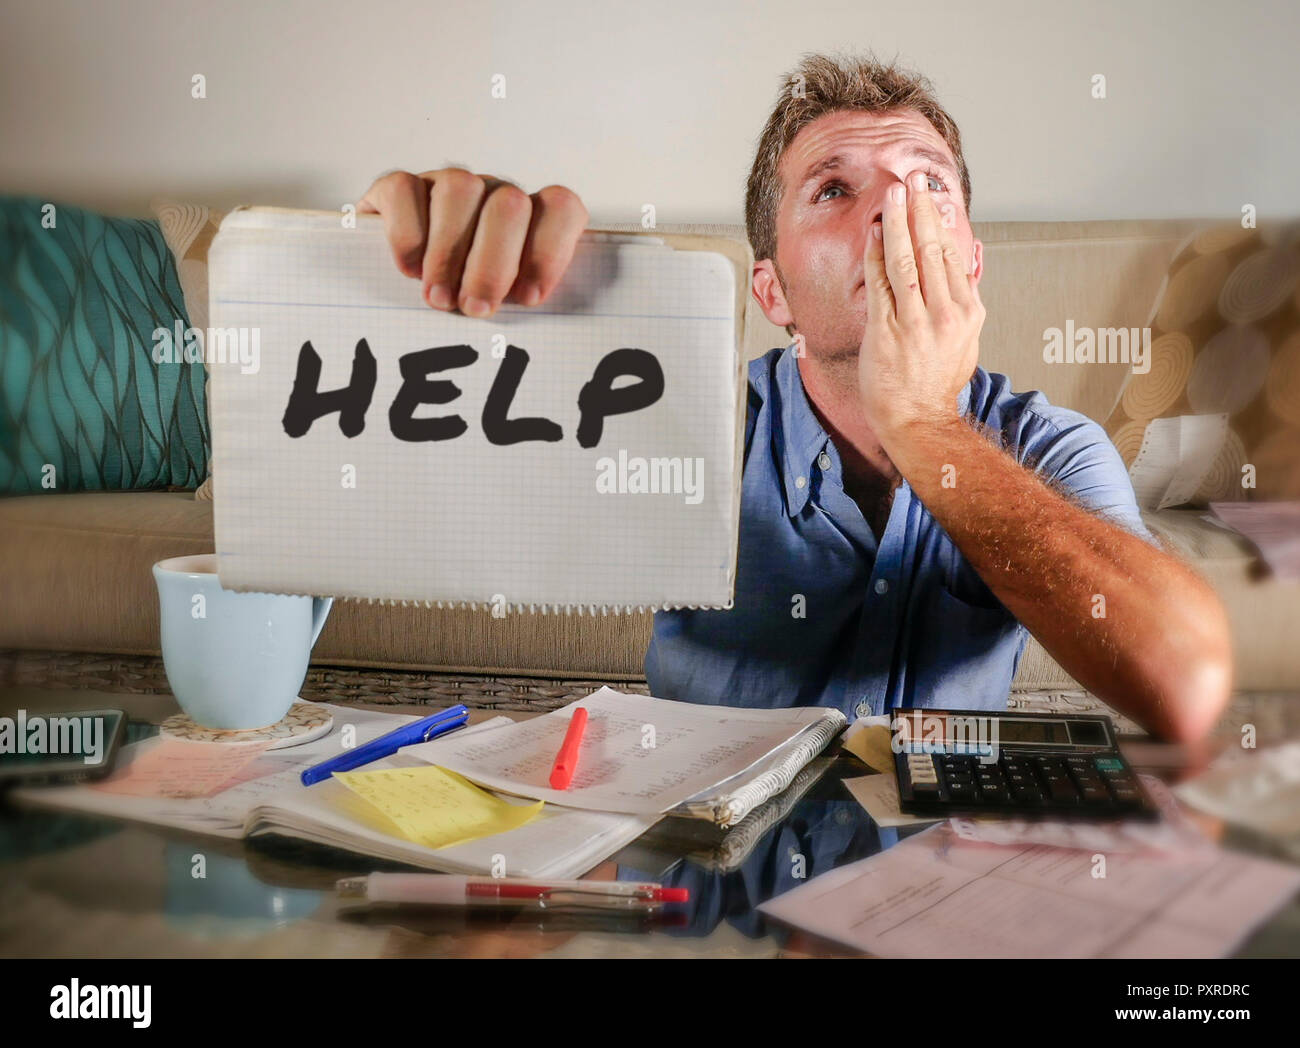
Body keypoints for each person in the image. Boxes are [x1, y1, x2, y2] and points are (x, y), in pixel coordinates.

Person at [357, 51, 1232, 742]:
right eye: (834, 189)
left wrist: (924, 426)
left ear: (970, 262)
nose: (898, 212)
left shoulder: (1047, 447)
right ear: (771, 295)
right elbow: (426, 500)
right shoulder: (692, 423)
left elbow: (1186, 686)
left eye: (930, 183)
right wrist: (405, 305)